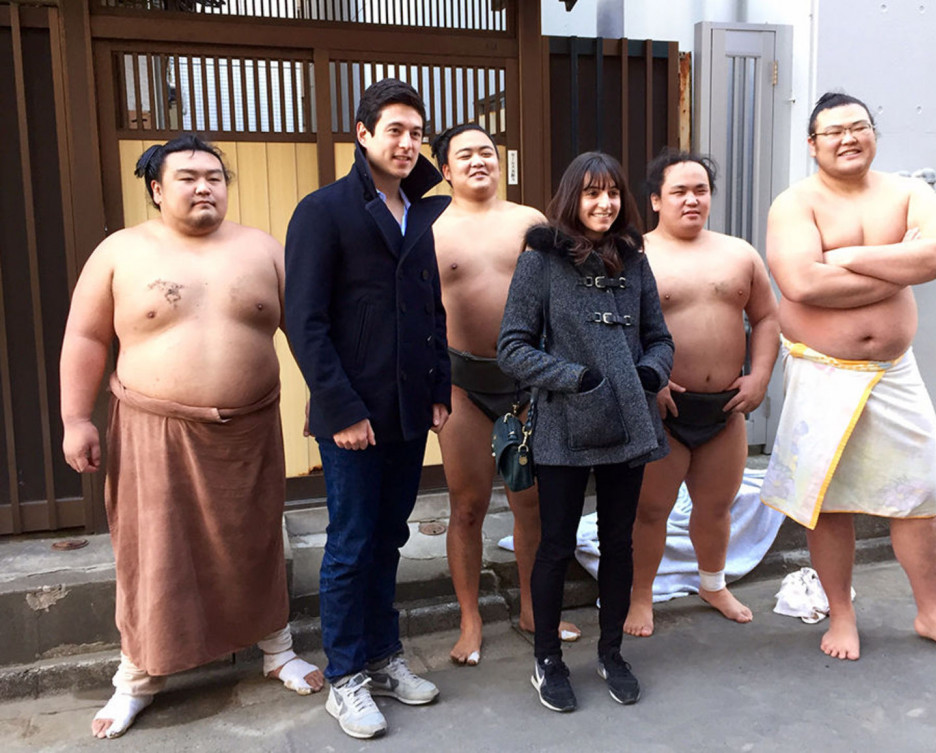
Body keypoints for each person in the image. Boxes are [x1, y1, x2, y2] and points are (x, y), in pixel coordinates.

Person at [59, 134, 323, 741]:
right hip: (154, 426)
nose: (204, 186)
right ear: (156, 188)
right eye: (187, 177)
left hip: (249, 424)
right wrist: (77, 419)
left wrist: (322, 393)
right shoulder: (120, 251)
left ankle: (277, 649)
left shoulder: (261, 248)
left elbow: (302, 327)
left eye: (214, 176)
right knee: (153, 550)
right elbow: (86, 339)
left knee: (255, 538)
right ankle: (138, 676)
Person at [762, 91, 936, 666]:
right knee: (830, 502)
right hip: (821, 374)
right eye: (834, 131)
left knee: (920, 495)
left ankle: (933, 615)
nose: (849, 138)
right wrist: (896, 263)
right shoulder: (795, 204)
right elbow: (802, 284)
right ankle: (842, 612)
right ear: (812, 144)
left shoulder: (910, 191)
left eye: (859, 126)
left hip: (894, 372)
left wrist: (843, 257)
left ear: (874, 133)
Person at [284, 78, 451, 740]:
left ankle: (384, 657)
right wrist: (342, 407)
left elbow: (429, 310)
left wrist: (439, 386)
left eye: (417, 133)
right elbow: (305, 322)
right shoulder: (324, 211)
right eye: (396, 131)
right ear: (362, 134)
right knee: (351, 544)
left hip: (409, 410)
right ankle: (346, 674)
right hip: (352, 415)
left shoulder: (419, 211)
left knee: (391, 535)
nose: (409, 143)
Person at [498, 152, 674, 712]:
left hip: (629, 422)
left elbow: (660, 337)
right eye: (592, 193)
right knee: (555, 545)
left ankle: (612, 651)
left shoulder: (634, 260)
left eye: (613, 193)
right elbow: (512, 348)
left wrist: (650, 372)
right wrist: (580, 378)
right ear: (572, 198)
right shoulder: (540, 261)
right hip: (565, 426)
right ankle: (547, 658)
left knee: (619, 542)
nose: (604, 204)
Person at [430, 124, 581, 666]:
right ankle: (471, 620)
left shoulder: (530, 222)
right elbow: (417, 315)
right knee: (466, 505)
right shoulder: (428, 226)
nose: (478, 161)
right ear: (444, 168)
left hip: (527, 382)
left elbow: (560, 296)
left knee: (531, 504)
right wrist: (430, 385)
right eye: (464, 154)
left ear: (501, 163)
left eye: (487, 152)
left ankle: (534, 611)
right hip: (462, 383)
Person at [623, 149, 779, 637]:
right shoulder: (634, 254)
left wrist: (759, 376)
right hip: (660, 407)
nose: (691, 200)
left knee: (716, 507)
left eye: (701, 190)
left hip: (725, 408)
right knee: (650, 511)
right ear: (655, 200)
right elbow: (616, 331)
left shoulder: (739, 252)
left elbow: (768, 318)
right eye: (679, 191)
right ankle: (641, 597)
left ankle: (713, 583)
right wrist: (650, 379)